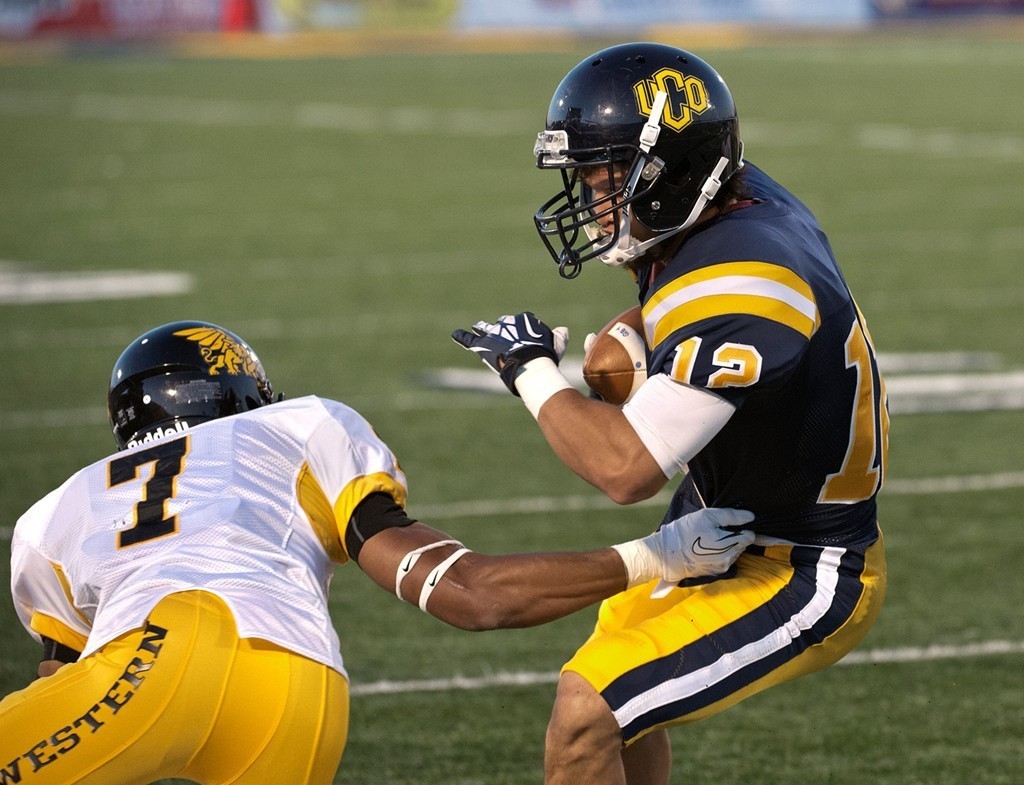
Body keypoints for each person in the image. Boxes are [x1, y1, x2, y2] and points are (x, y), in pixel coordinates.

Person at [1, 320, 754, 785]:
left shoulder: (50, 515)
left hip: (173, 645)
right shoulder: (300, 426)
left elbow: (68, 684)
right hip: (301, 693)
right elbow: (470, 592)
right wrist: (655, 555)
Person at [452, 42, 889, 785]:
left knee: (587, 709)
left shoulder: (746, 274)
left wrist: (528, 371)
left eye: (605, 176)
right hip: (726, 513)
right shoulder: (734, 201)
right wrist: (640, 329)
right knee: (615, 703)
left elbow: (625, 469)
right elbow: (692, 302)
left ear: (672, 173)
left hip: (801, 563)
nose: (589, 199)